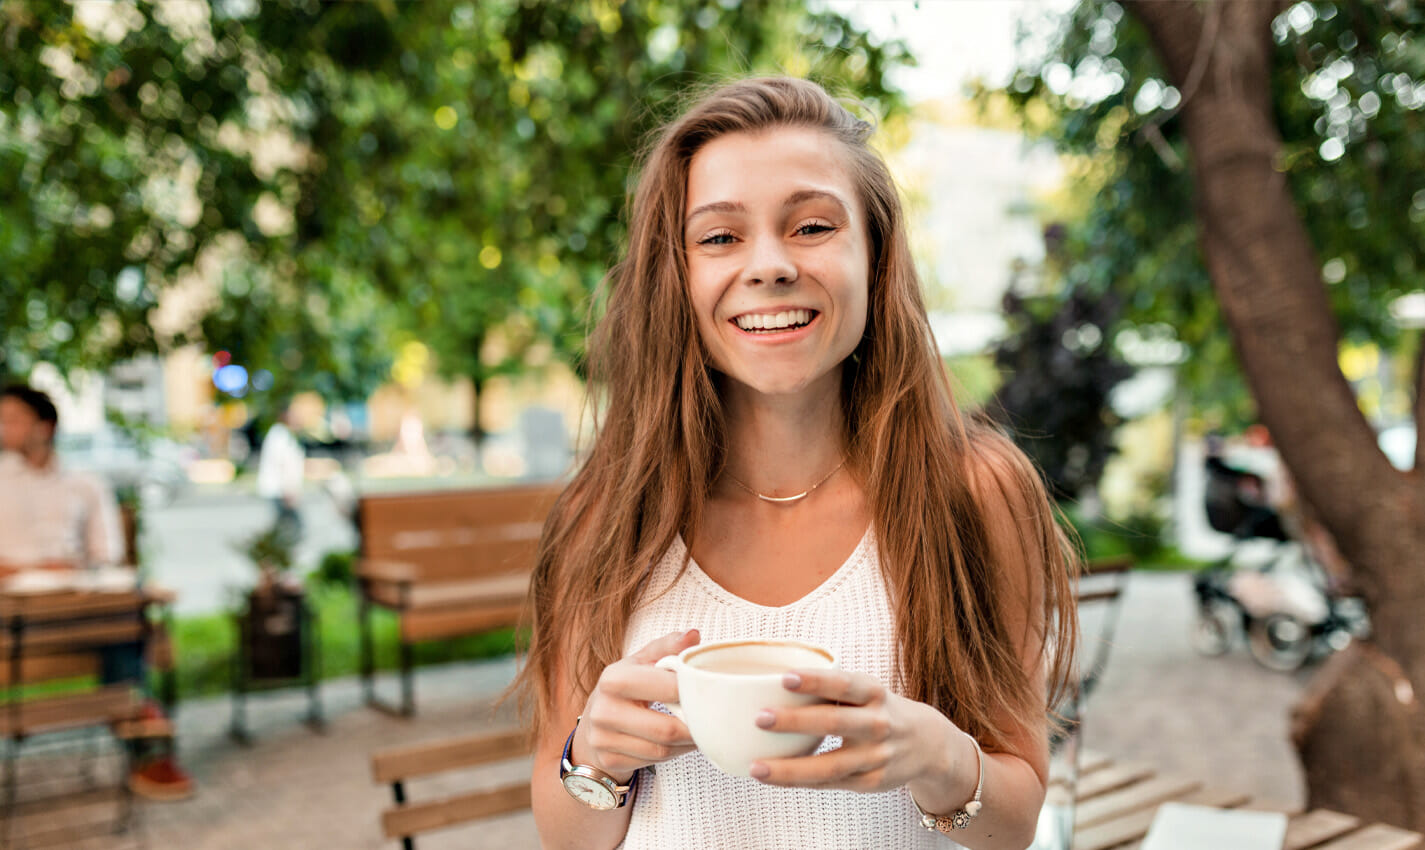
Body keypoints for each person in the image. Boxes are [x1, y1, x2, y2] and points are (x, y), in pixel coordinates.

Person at [515, 78, 1079, 850]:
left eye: (811, 226)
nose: (769, 265)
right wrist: (593, 757)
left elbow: (1014, 824)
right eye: (718, 237)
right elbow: (568, 836)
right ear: (673, 277)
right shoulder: (606, 516)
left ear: (874, 257)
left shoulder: (973, 491)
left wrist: (941, 758)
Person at [0, 383, 194, 801]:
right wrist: (30, 568)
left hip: (78, 609)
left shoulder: (84, 483)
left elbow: (107, 556)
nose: (3, 428)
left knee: (125, 603)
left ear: (44, 426)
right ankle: (139, 722)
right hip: (12, 616)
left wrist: (78, 569)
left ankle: (136, 722)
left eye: (13, 419)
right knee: (127, 626)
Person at [256, 404, 305, 540]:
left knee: (284, 525)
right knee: (292, 526)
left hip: (279, 489)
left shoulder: (283, 435)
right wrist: (288, 490)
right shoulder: (280, 436)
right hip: (278, 489)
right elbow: (282, 464)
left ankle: (274, 552)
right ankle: (273, 552)